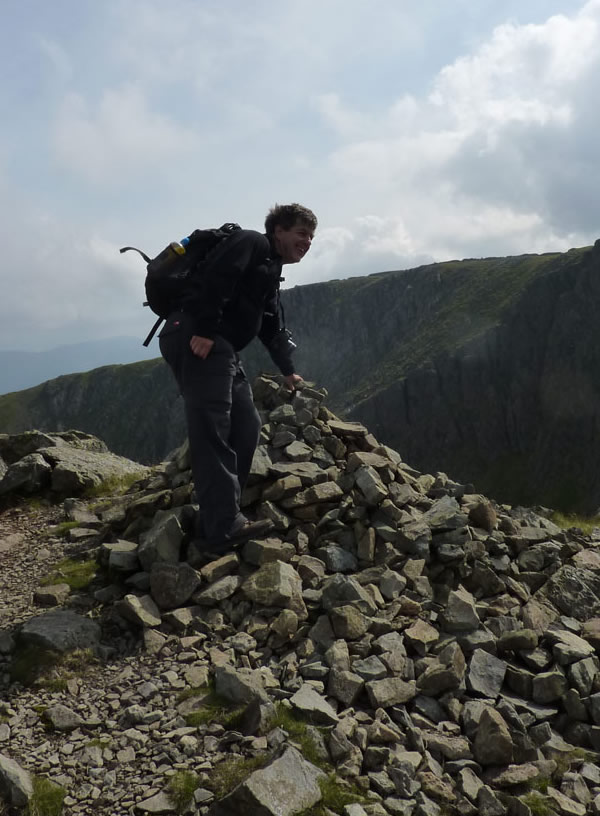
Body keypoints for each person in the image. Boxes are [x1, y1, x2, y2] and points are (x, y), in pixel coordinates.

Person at [159, 202, 317, 558]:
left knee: (246, 427)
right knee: (213, 430)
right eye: (301, 233)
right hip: (198, 338)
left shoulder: (269, 269)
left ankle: (218, 518)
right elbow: (216, 277)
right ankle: (221, 530)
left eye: (311, 237)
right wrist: (205, 329)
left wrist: (287, 369)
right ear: (278, 230)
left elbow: (272, 325)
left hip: (221, 348)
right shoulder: (251, 243)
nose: (307, 242)